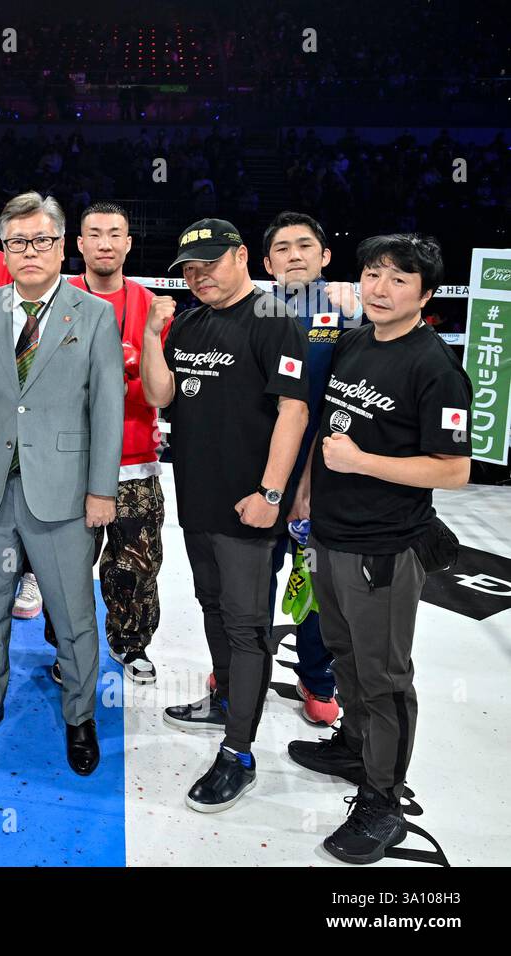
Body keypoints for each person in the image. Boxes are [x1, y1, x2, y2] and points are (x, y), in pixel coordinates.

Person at [296, 234, 470, 864]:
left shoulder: (435, 366)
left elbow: (454, 471)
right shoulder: (354, 343)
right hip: (332, 535)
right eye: (372, 274)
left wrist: (363, 462)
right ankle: (352, 744)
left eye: (399, 279)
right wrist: (309, 490)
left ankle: (384, 800)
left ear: (425, 294)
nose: (380, 288)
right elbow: (327, 429)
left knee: (384, 676)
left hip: (387, 548)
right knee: (345, 655)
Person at [0, 191, 123, 777]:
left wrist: (102, 489)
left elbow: (107, 409)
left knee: (73, 613)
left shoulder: (93, 313)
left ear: (60, 245)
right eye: (18, 242)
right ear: (3, 249)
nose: (29, 253)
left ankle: (80, 716)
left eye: (41, 241)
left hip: (66, 492)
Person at [140, 218, 309, 812]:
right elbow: (161, 396)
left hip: (247, 505)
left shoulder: (271, 319)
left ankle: (240, 751)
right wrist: (154, 333)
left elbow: (293, 410)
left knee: (245, 625)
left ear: (241, 256)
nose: (198, 275)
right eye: (189, 268)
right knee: (212, 606)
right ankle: (222, 699)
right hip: (198, 497)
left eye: (210, 262)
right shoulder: (189, 320)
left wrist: (271, 495)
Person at [260, 210, 361, 724]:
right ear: (266, 260)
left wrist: (309, 481)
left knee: (318, 580)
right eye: (282, 247)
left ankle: (317, 676)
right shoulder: (251, 310)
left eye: (305, 245)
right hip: (257, 472)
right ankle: (244, 668)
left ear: (324, 257)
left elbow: (348, 404)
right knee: (254, 573)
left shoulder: (347, 314)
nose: (294, 254)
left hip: (321, 475)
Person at [69, 201, 166, 685]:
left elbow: (160, 388)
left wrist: (137, 355)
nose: (105, 243)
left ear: (128, 243)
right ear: (79, 243)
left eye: (115, 234)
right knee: (65, 566)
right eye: (95, 234)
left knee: (136, 566)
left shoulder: (153, 306)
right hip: (69, 462)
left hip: (136, 462)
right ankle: (66, 648)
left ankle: (131, 644)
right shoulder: (57, 298)